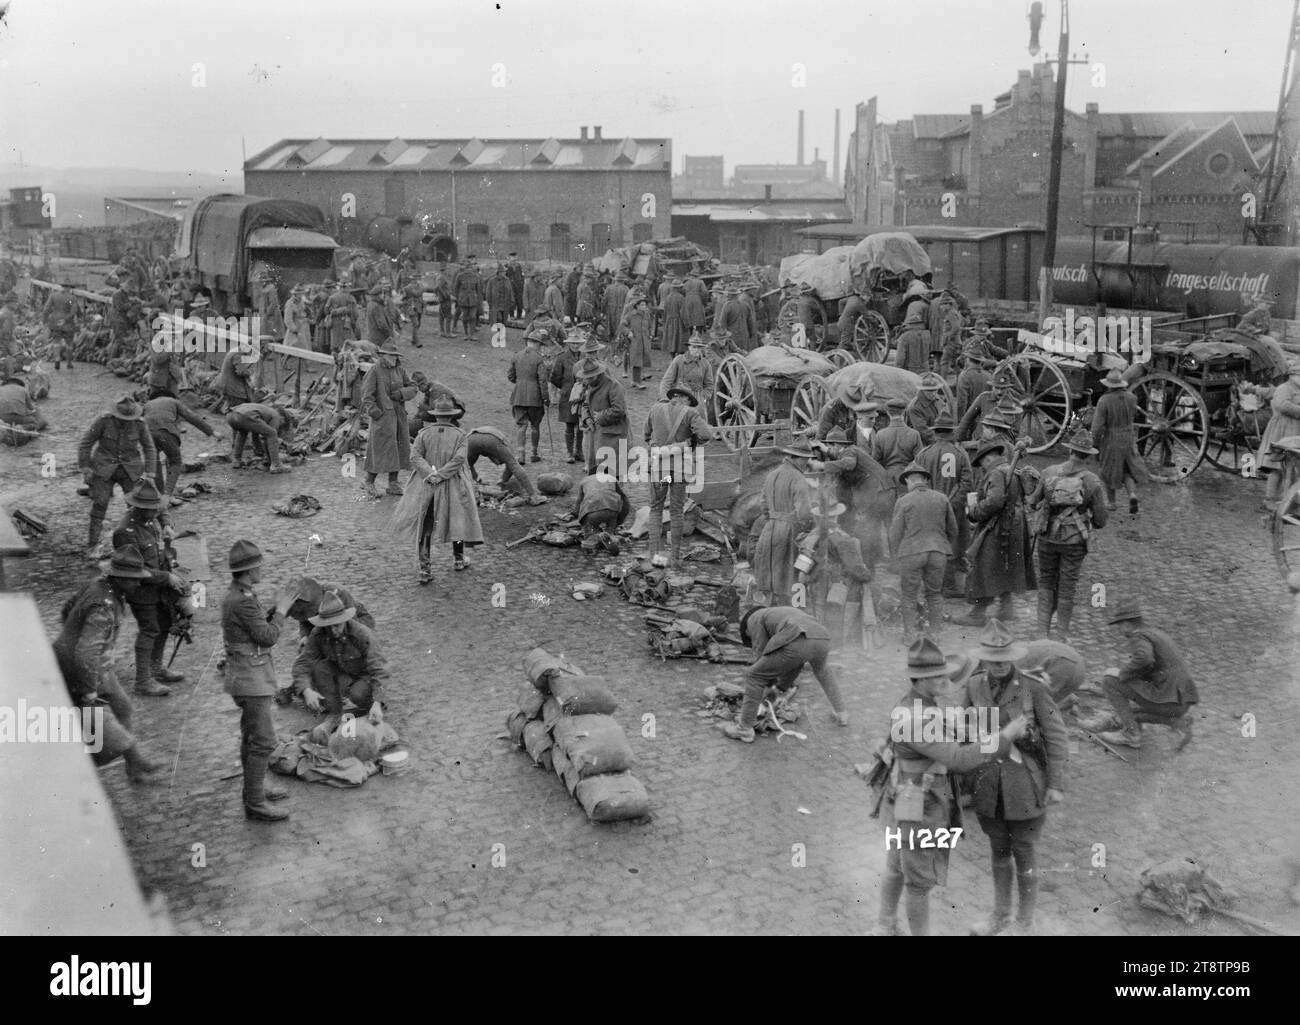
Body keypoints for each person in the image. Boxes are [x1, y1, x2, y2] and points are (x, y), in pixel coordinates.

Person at [870, 637, 1028, 936]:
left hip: (903, 800)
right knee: (918, 882)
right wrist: (1004, 736)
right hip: (919, 806)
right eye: (938, 676)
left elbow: (944, 723)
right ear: (922, 680)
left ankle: (885, 925)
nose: (947, 680)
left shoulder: (916, 703)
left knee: (896, 865)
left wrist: (973, 729)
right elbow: (959, 759)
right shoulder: (918, 717)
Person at [962, 621, 1068, 936]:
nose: (998, 666)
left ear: (1013, 658)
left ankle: (1025, 924)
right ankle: (1000, 916)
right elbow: (960, 728)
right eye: (993, 660)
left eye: (1004, 660)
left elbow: (1057, 735)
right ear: (983, 658)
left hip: (1025, 784)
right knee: (998, 851)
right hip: (988, 784)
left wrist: (1057, 783)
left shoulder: (1033, 688)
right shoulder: (973, 685)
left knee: (1024, 851)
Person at [53, 545, 165, 783]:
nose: (137, 584)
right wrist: (89, 689)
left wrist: (71, 632)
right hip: (80, 666)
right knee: (100, 721)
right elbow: (85, 652)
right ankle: (132, 759)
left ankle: (134, 766)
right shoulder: (103, 605)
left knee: (123, 707)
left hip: (94, 660)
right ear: (120, 578)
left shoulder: (99, 585)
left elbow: (68, 609)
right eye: (134, 580)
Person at [220, 539, 295, 822]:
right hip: (252, 677)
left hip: (245, 673)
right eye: (259, 565)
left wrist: (272, 610)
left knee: (251, 736)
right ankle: (254, 803)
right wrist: (282, 611)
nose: (262, 568)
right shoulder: (244, 600)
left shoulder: (238, 595)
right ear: (249, 570)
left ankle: (256, 787)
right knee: (263, 741)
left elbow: (254, 627)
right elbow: (267, 637)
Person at [720, 606, 849, 743]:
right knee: (823, 671)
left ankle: (744, 729)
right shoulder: (777, 613)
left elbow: (761, 653)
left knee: (754, 675)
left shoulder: (754, 619)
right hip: (822, 637)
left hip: (798, 636)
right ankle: (841, 712)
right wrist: (779, 689)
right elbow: (795, 663)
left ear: (746, 630)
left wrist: (766, 686)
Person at [1081, 600, 1198, 751]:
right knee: (1133, 711)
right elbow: (1150, 666)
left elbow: (1145, 658)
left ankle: (1131, 735)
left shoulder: (1139, 637)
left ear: (1127, 624)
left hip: (1169, 701)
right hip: (1181, 702)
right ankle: (1176, 722)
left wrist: (1123, 674)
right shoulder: (1154, 633)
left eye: (1120, 626)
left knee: (1109, 681)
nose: (1119, 630)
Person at [390, 396, 484, 584]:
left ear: (435, 416)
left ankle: (425, 569)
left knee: (425, 524)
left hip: (426, 485)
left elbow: (414, 457)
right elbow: (458, 460)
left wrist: (431, 475)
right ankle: (458, 559)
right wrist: (442, 475)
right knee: (457, 520)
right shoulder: (460, 435)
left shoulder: (423, 434)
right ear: (451, 416)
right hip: (453, 484)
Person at [1027, 427, 1108, 641]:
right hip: (1074, 541)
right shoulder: (1092, 481)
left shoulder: (1048, 472)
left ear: (1070, 451)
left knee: (1046, 581)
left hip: (1047, 537)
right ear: (1088, 456)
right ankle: (1061, 634)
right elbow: (1101, 521)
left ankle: (1041, 631)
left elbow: (1033, 502)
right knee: (1067, 585)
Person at [111, 479, 188, 696]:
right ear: (138, 507)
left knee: (163, 624)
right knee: (149, 629)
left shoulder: (148, 519)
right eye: (151, 509)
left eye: (156, 508)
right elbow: (135, 570)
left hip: (159, 586)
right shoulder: (125, 531)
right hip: (140, 591)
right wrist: (167, 577)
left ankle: (156, 668)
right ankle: (143, 680)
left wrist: (168, 533)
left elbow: (157, 545)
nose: (155, 512)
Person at [954, 433, 1036, 626]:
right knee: (1004, 564)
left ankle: (978, 613)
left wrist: (973, 512)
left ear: (987, 458)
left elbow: (995, 501)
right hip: (1014, 525)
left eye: (981, 462)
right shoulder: (1009, 470)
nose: (981, 467)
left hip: (999, 525)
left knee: (984, 565)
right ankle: (1007, 608)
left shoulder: (996, 473)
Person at [289, 593, 389, 721]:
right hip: (342, 670)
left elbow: (380, 669)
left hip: (365, 674)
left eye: (336, 625)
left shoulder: (362, 634)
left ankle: (371, 706)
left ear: (344, 620)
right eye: (328, 626)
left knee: (358, 695)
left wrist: (378, 702)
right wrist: (306, 690)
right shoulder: (319, 633)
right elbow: (303, 663)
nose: (332, 630)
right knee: (320, 668)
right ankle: (334, 711)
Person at [644, 386, 716, 566]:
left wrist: (656, 445)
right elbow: (706, 434)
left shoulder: (655, 409)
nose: (690, 405)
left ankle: (654, 555)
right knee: (676, 512)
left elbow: (646, 434)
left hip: (660, 471)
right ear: (684, 398)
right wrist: (692, 442)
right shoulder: (690, 414)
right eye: (689, 401)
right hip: (678, 471)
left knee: (655, 509)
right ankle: (675, 559)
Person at [78, 396, 158, 553]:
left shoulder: (139, 424)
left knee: (137, 507)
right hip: (104, 467)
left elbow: (149, 447)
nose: (126, 421)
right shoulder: (103, 421)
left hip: (130, 469)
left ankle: (143, 543)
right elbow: (86, 443)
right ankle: (92, 544)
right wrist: (86, 467)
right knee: (100, 504)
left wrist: (150, 473)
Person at [890, 462, 958, 643]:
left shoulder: (903, 501)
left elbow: (895, 533)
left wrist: (895, 555)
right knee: (934, 594)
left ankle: (910, 636)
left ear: (909, 482)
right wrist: (942, 545)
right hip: (937, 552)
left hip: (911, 552)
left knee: (909, 595)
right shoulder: (942, 498)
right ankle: (935, 635)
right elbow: (954, 529)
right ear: (926, 480)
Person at [915, 413, 973, 597]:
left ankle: (931, 585)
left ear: (936, 432)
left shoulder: (923, 454)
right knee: (952, 546)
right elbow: (967, 484)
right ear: (951, 432)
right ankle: (948, 587)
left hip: (927, 509)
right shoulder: (960, 454)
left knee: (930, 544)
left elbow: (915, 482)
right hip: (953, 509)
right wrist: (951, 505)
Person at [753, 444, 815, 605]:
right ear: (796, 458)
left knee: (768, 569)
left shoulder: (772, 475)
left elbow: (763, 504)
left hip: (770, 529)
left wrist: (772, 520)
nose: (806, 463)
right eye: (805, 459)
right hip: (790, 530)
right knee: (794, 572)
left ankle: (766, 605)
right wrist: (809, 527)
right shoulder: (798, 478)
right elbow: (804, 512)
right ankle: (797, 606)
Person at [359, 341, 416, 498]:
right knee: (378, 450)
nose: (394, 358)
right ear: (383, 355)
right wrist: (376, 413)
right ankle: (368, 482)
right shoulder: (374, 371)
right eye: (391, 355)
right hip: (382, 419)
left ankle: (393, 483)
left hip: (399, 418)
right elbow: (366, 396)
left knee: (397, 448)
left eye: (396, 356)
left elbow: (413, 387)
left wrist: (402, 393)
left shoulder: (400, 370)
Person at [1090, 367, 1146, 513]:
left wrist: (1094, 445)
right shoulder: (1132, 398)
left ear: (1108, 385)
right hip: (1128, 436)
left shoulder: (1104, 400)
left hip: (1111, 438)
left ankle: (1112, 502)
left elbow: (1096, 428)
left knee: (1107, 471)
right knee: (1127, 470)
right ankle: (1132, 495)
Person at [1247, 357, 1300, 508]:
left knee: (1292, 467)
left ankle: (1289, 499)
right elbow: (1282, 405)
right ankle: (1269, 499)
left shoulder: (1298, 390)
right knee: (1277, 467)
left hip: (1295, 432)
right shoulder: (1284, 389)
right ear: (1293, 375)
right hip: (1282, 431)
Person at [144, 393, 217, 498]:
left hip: (148, 434)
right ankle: (168, 494)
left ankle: (159, 493)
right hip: (167, 432)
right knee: (175, 461)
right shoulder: (173, 401)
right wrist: (211, 431)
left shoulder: (147, 404)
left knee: (155, 463)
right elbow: (191, 417)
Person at [575, 355, 629, 476]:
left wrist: (601, 416)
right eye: (586, 377)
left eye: (589, 377)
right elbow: (585, 404)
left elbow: (619, 410)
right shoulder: (591, 385)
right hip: (596, 435)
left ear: (597, 374)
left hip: (613, 435)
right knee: (596, 471)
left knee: (613, 472)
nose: (586, 380)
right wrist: (587, 418)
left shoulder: (614, 386)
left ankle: (614, 494)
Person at [467, 425, 544, 502]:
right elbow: (513, 466)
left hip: (470, 439)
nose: (499, 464)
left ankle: (469, 493)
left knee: (466, 464)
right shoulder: (506, 446)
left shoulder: (495, 445)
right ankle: (534, 497)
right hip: (488, 438)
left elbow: (469, 465)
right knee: (513, 464)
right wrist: (503, 480)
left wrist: (479, 480)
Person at [508, 328, 550, 462]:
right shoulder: (539, 359)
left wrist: (520, 383)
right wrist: (546, 398)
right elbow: (542, 381)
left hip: (518, 396)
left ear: (528, 341)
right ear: (537, 344)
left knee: (521, 425)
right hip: (535, 398)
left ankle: (520, 454)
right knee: (535, 426)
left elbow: (510, 376)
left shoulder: (516, 356)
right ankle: (534, 453)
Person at [285, 578, 374, 641]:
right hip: (324, 623)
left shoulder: (336, 591)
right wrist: (304, 636)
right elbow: (304, 620)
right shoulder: (303, 604)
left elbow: (350, 623)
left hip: (355, 618)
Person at [869, 397, 923, 497]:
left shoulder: (880, 435)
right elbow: (920, 461)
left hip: (887, 481)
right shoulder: (914, 434)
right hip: (908, 480)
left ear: (888, 413)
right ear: (905, 412)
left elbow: (875, 462)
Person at [1016, 637, 1086, 708]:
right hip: (1078, 665)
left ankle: (1056, 705)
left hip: (1062, 666)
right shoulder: (1013, 650)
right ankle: (1064, 700)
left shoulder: (1009, 661)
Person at [550, 331, 587, 463]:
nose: (575, 346)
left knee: (582, 424)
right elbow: (554, 377)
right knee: (570, 424)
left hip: (583, 395)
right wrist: (566, 388)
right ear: (568, 344)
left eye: (578, 343)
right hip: (567, 396)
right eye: (573, 343)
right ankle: (569, 453)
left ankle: (579, 451)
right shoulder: (562, 358)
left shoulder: (585, 357)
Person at [226, 401, 292, 473]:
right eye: (282, 423)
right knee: (272, 433)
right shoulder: (276, 415)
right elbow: (269, 438)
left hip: (231, 415)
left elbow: (256, 436)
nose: (280, 425)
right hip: (245, 415)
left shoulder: (264, 412)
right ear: (282, 418)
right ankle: (276, 465)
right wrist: (271, 459)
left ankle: (236, 460)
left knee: (242, 432)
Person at [658, 332, 715, 406]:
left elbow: (709, 386)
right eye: (694, 347)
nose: (697, 350)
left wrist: (703, 398)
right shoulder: (679, 360)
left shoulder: (705, 363)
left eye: (699, 347)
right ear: (689, 347)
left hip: (696, 399)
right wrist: (664, 399)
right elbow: (666, 381)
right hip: (679, 397)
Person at [574, 471, 631, 542]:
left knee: (590, 531)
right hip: (612, 511)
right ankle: (609, 535)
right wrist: (620, 520)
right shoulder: (612, 478)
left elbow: (579, 501)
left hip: (592, 512)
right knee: (610, 528)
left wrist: (576, 514)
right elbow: (624, 499)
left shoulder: (585, 480)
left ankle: (592, 539)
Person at [408, 371, 466, 435]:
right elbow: (421, 408)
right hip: (449, 407)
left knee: (427, 414)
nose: (419, 390)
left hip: (456, 408)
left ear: (424, 384)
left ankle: (452, 424)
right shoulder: (428, 390)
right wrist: (413, 421)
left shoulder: (435, 389)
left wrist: (421, 405)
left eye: (419, 387)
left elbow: (434, 409)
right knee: (423, 414)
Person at [619, 295, 654, 388]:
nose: (644, 307)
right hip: (635, 341)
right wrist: (628, 332)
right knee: (636, 360)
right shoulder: (631, 315)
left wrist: (651, 334)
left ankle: (635, 380)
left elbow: (650, 326)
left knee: (642, 359)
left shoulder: (646, 314)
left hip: (645, 341)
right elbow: (622, 326)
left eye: (645, 305)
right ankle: (638, 382)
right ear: (637, 306)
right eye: (642, 305)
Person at [904, 372, 944, 445]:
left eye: (935, 390)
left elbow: (943, 418)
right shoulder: (915, 407)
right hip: (920, 441)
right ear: (923, 390)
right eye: (929, 391)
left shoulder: (938, 400)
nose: (933, 393)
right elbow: (923, 431)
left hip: (937, 437)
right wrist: (939, 442)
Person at [892, 301, 931, 374]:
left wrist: (897, 371)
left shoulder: (905, 336)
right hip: (926, 370)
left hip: (911, 371)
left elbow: (900, 357)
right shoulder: (927, 334)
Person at [216, 344, 257, 411]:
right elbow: (240, 371)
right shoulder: (238, 354)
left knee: (234, 407)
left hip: (228, 384)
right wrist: (250, 373)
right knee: (240, 410)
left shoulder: (236, 351)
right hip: (232, 387)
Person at [954, 351, 994, 420]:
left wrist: (961, 421)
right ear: (981, 361)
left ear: (968, 360)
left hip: (970, 419)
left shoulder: (964, 376)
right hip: (986, 419)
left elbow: (962, 402)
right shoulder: (989, 376)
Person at [324, 280, 361, 353]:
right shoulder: (351, 298)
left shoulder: (332, 297)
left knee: (335, 344)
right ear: (347, 287)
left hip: (335, 324)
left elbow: (326, 311)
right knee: (346, 345)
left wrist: (335, 312)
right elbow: (355, 314)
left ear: (339, 287)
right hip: (346, 324)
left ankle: (334, 359)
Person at [717, 286, 756, 353]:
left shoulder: (727, 305)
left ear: (730, 295)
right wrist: (750, 334)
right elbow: (750, 323)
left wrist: (723, 336)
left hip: (732, 337)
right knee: (744, 355)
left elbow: (722, 323)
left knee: (733, 356)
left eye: (727, 294)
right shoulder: (745, 305)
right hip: (744, 335)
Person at [454, 255, 483, 338]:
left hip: (473, 300)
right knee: (465, 317)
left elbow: (478, 290)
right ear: (465, 268)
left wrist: (479, 300)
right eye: (467, 268)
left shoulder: (476, 277)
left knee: (473, 317)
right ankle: (466, 334)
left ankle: (472, 334)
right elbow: (456, 288)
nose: (469, 270)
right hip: (463, 300)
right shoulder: (460, 276)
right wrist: (458, 298)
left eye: (470, 268)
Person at [660, 277, 689, 357]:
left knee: (671, 338)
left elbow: (665, 312)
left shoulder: (668, 297)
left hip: (669, 320)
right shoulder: (681, 298)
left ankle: (672, 356)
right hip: (678, 321)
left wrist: (665, 321)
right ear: (678, 288)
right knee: (680, 338)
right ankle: (679, 356)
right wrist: (686, 324)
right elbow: (683, 312)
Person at [283, 283, 311, 350]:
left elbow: (303, 312)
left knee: (305, 347)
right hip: (295, 329)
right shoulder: (290, 303)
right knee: (292, 348)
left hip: (303, 326)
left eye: (302, 293)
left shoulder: (301, 301)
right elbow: (287, 320)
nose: (301, 295)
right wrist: (294, 330)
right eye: (299, 293)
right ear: (294, 294)